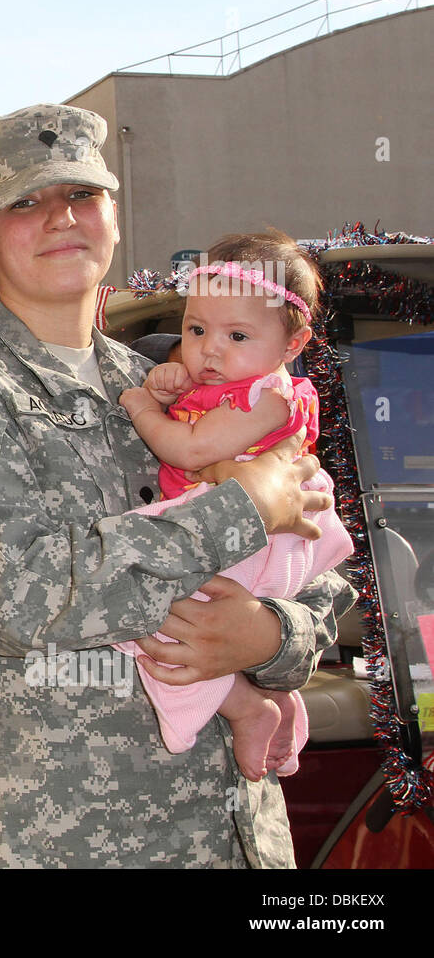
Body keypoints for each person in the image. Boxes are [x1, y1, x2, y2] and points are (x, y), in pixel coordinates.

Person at [0, 104, 354, 867]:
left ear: (115, 221)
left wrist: (272, 636)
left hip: (231, 829)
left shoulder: (178, 384)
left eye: (82, 195)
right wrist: (242, 509)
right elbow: (6, 594)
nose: (60, 217)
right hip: (64, 836)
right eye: (25, 201)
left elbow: (318, 554)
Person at [117, 232, 354, 782]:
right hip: (241, 527)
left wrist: (142, 406)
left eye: (238, 335)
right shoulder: (228, 384)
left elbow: (190, 448)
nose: (210, 350)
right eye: (197, 329)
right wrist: (167, 384)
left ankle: (246, 708)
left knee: (146, 605)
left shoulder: (266, 397)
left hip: (261, 535)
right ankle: (275, 700)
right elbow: (196, 417)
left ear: (292, 345)